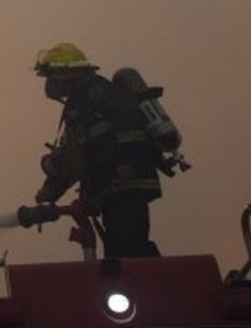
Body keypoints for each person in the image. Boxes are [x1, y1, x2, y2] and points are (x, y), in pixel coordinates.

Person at [33, 43, 162, 258]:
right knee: (120, 251)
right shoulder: (77, 105)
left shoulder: (96, 89)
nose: (49, 83)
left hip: (128, 184)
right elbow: (73, 156)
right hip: (111, 189)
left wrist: (127, 163)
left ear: (64, 72)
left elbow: (129, 120)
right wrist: (50, 191)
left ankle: (159, 283)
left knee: (129, 248)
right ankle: (150, 281)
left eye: (50, 76)